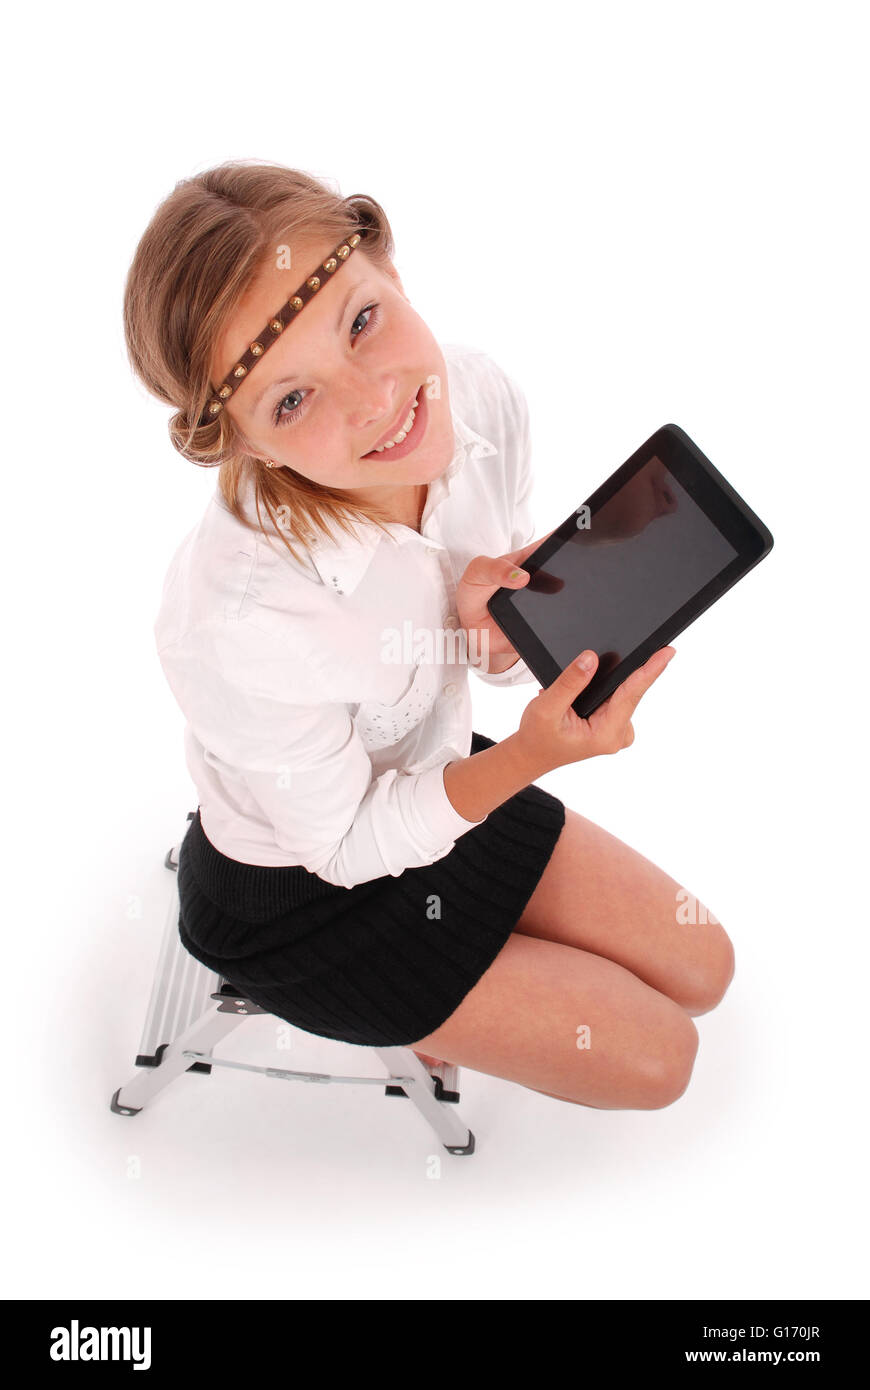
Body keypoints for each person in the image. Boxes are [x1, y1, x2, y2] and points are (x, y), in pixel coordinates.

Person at [124, 160, 734, 1110]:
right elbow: (346, 847)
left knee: (708, 965)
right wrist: (531, 757)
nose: (374, 403)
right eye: (292, 400)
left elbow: (477, 662)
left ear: (389, 264)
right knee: (661, 1062)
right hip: (306, 895)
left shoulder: (479, 401)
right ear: (242, 440)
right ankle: (422, 997)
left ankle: (473, 987)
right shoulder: (234, 621)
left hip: (438, 783)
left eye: (360, 320)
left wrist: (490, 638)